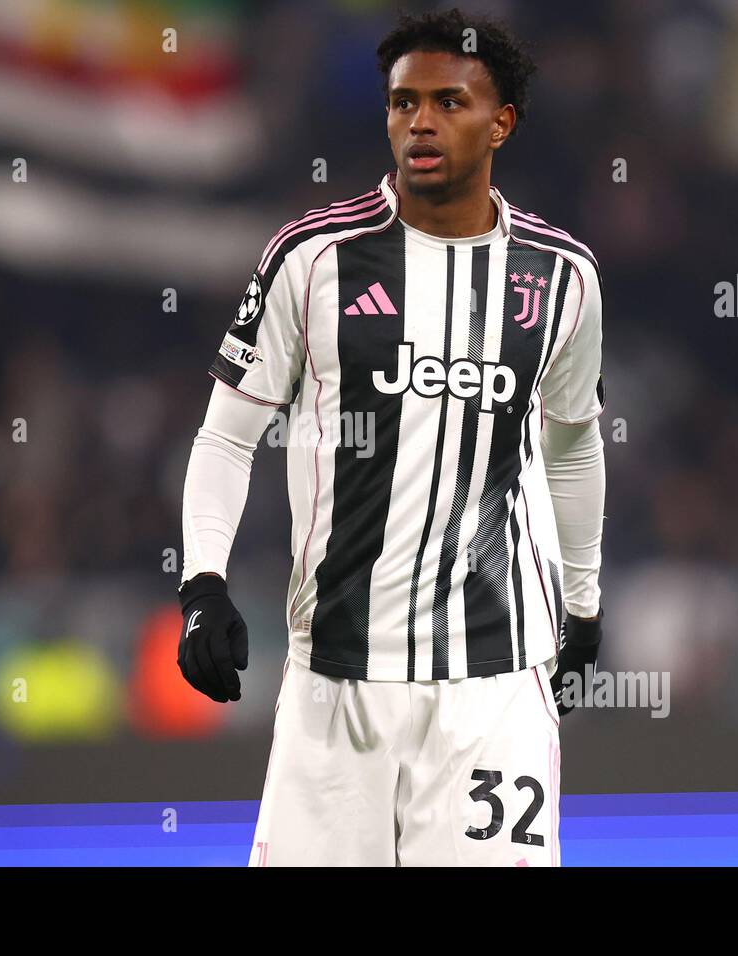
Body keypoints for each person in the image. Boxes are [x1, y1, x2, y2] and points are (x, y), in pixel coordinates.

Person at [177, 8, 605, 866]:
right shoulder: (311, 259)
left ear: (502, 122)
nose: (420, 122)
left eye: (449, 102)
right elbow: (227, 436)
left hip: (492, 681)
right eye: (403, 102)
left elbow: (574, 440)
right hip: (335, 676)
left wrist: (583, 606)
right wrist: (202, 586)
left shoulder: (560, 277)